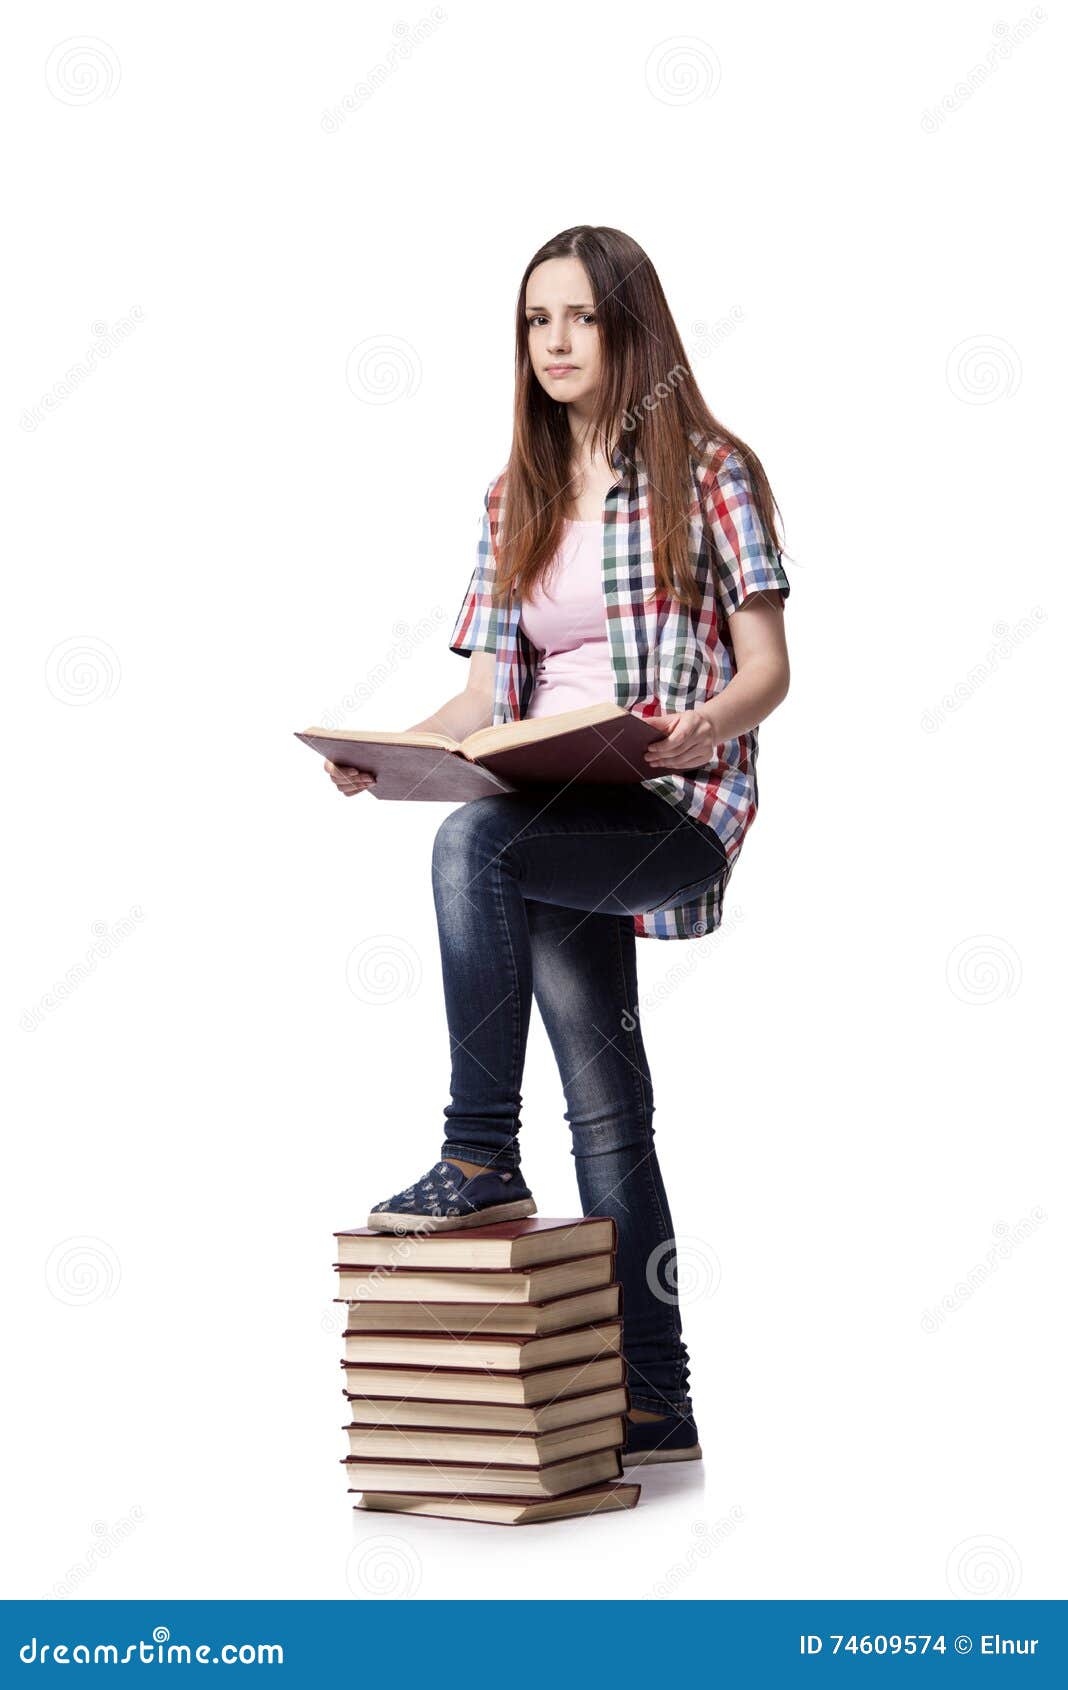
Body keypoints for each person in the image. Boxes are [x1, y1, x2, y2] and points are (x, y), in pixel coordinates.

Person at [324, 225, 791, 1465]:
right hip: (554, 806)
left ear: (632, 329)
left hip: (671, 806)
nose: (557, 343)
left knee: (474, 849)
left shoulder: (714, 473)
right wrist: (385, 749)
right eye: (538, 321)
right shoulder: (511, 496)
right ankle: (659, 1394)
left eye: (581, 318)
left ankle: (477, 1151)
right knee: (609, 1107)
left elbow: (770, 672)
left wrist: (703, 727)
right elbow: (483, 704)